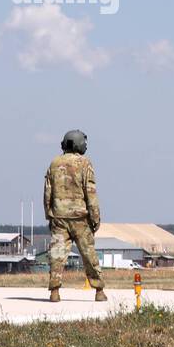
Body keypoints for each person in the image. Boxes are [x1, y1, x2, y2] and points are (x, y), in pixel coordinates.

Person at [44, 129, 106, 303]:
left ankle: (54, 291)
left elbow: (47, 192)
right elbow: (91, 193)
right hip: (80, 218)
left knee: (56, 255)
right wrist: (95, 218)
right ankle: (99, 290)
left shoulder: (54, 164)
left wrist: (49, 215)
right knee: (89, 255)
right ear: (79, 144)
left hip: (59, 217)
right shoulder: (85, 163)